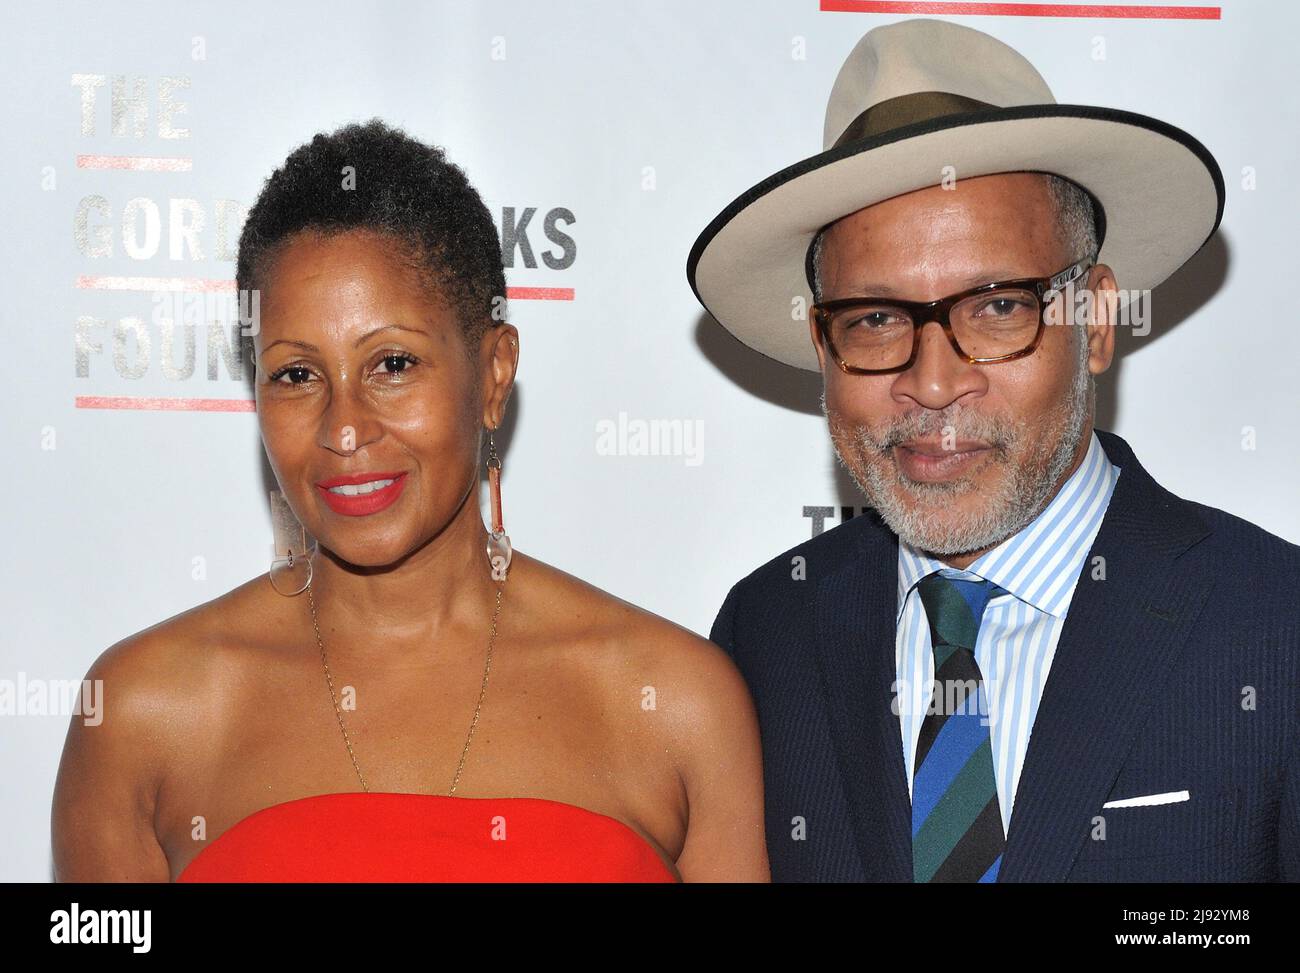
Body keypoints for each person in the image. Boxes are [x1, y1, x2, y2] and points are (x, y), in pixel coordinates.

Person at [52, 118, 768, 883]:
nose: (345, 428)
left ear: (493, 374)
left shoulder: (676, 705)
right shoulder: (141, 714)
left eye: (392, 363)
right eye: (296, 374)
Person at [688, 19, 1300, 881]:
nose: (933, 384)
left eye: (998, 307)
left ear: (1093, 319)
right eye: (874, 318)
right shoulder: (766, 634)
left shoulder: (1276, 628)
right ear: (824, 349)